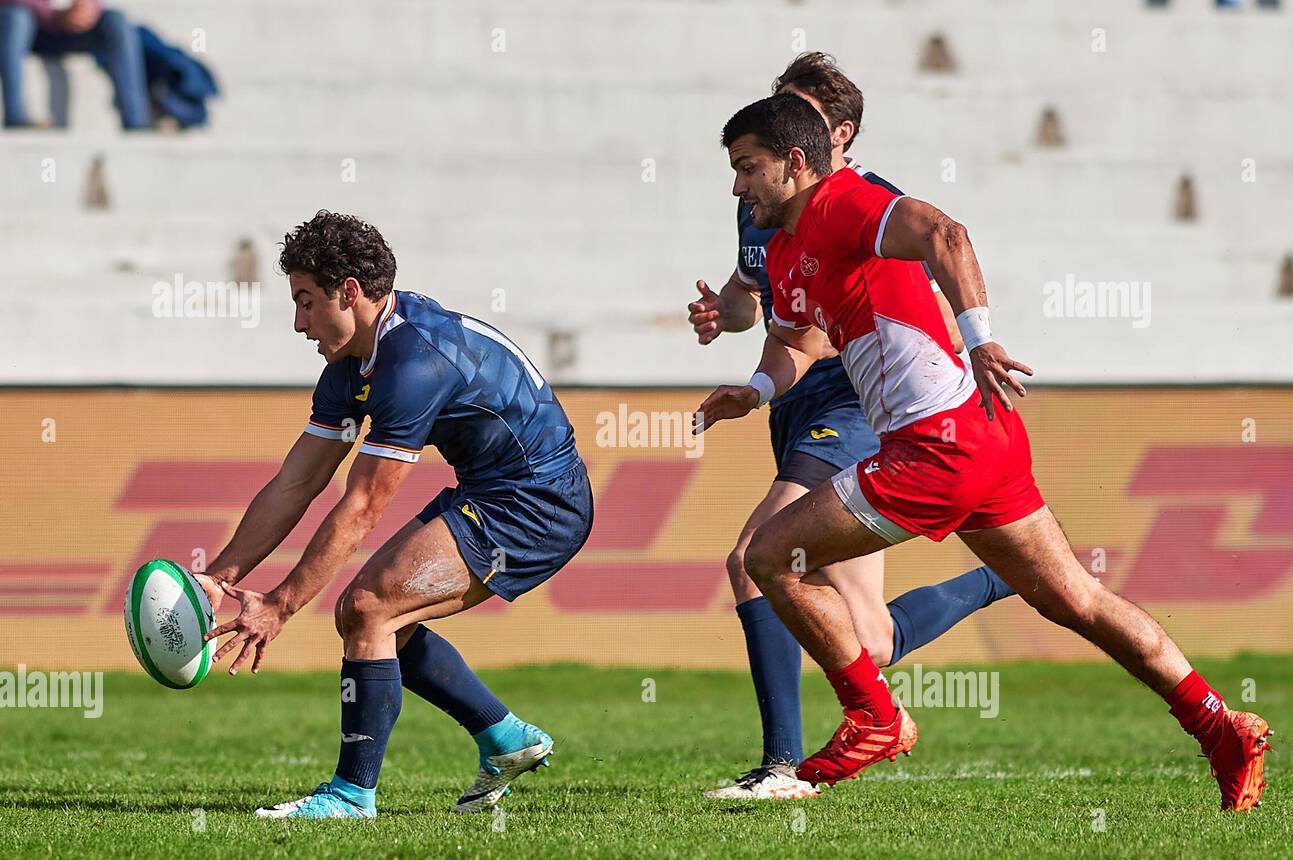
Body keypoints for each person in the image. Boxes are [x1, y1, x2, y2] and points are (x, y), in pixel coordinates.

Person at [698, 94, 1271, 812]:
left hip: (935, 445)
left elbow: (946, 233)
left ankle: (875, 717)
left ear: (796, 162)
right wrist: (753, 392)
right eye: (733, 171)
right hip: (979, 438)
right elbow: (798, 342)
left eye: (748, 168)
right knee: (1079, 601)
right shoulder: (784, 249)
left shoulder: (845, 200)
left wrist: (981, 337)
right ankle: (1221, 726)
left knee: (767, 556)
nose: (736, 186)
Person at [194, 211, 594, 818]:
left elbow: (360, 508)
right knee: (379, 616)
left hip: (538, 500)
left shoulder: (412, 361)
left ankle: (352, 795)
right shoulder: (351, 366)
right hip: (492, 490)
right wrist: (220, 577)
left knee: (366, 608)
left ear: (349, 293)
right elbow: (297, 481)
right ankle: (507, 740)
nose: (298, 322)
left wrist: (279, 605)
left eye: (306, 301)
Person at [690, 53, 1013, 801]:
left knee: (753, 560)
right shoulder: (759, 201)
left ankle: (781, 767)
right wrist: (723, 316)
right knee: (868, 636)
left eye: (797, 120)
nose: (779, 136)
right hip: (796, 399)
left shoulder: (866, 203)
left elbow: (913, 272)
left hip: (851, 403)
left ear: (838, 134)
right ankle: (1002, 576)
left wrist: (973, 341)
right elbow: (758, 298)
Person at [0, 0, 149, 129]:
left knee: (117, 21)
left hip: (71, 25)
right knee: (15, 17)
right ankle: (15, 115)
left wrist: (88, 8)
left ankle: (136, 120)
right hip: (32, 26)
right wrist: (53, 15)